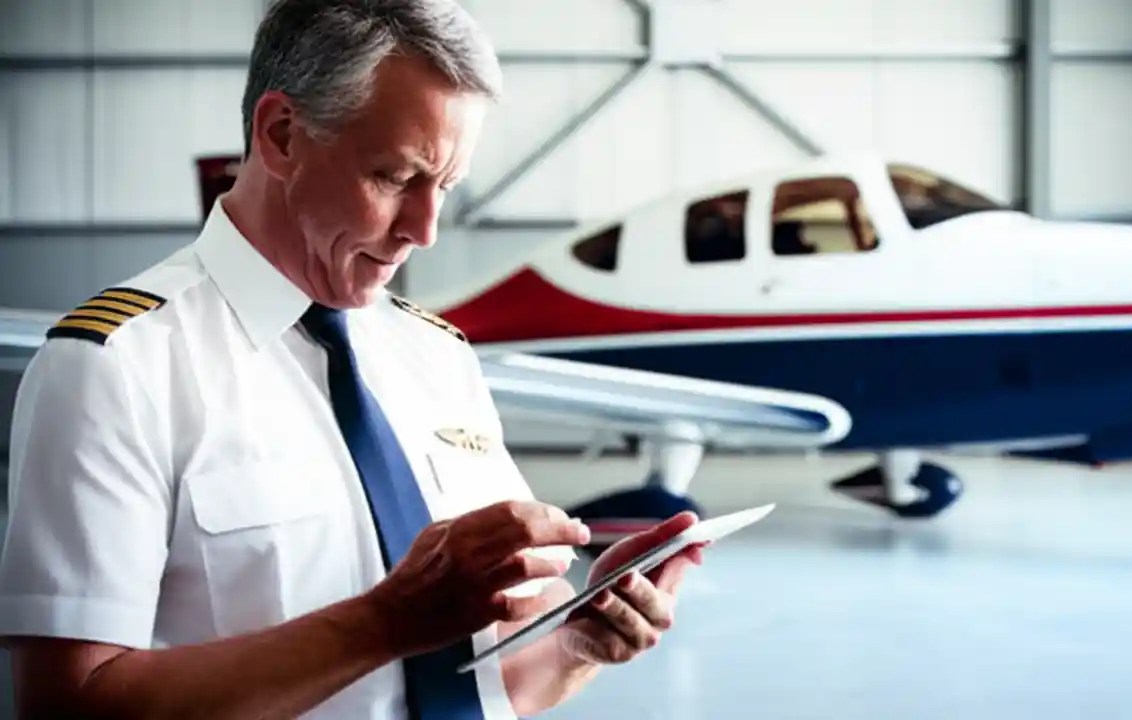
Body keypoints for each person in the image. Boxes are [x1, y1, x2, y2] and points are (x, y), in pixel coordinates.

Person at [0, 1, 702, 717]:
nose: (424, 232)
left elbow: (489, 692)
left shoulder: (438, 358)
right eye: (396, 177)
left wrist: (577, 642)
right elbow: (68, 704)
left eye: (446, 188)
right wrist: (385, 622)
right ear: (280, 136)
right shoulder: (117, 368)